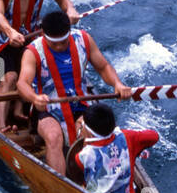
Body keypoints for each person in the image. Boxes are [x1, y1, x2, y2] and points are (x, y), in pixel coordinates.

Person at [17, 11, 131, 175]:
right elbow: (22, 84)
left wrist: (118, 84)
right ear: (44, 35)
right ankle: (60, 186)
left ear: (69, 32)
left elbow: (103, 67)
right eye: (53, 43)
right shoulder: (32, 51)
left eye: (63, 42)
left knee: (95, 133)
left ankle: (99, 178)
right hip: (47, 108)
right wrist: (34, 98)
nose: (58, 47)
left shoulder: (83, 39)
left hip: (81, 102)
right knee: (54, 136)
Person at [0, 0, 80, 133]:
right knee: (8, 78)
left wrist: (70, 9)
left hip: (28, 38)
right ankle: (0, 126)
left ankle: (19, 108)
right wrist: (10, 31)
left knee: (43, 71)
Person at [66, 103, 159, 193]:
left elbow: (80, 175)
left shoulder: (82, 156)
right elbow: (154, 136)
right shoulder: (127, 136)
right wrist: (137, 149)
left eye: (83, 125)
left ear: (89, 132)